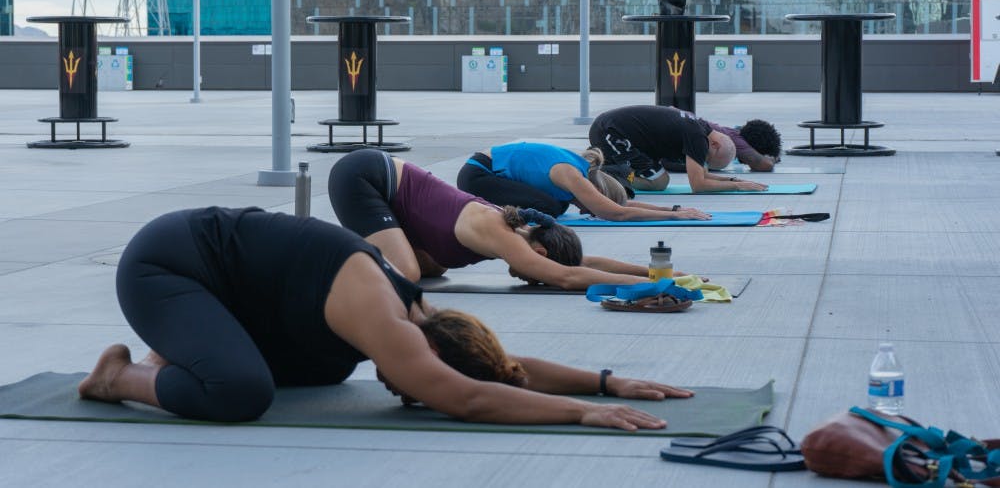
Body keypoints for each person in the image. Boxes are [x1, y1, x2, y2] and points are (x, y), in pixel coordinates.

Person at [78, 207, 693, 428]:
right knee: (239, 393)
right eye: (414, 392)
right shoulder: (389, 320)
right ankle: (119, 378)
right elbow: (470, 398)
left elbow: (500, 374)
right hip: (166, 266)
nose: (404, 394)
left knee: (327, 369)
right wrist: (584, 411)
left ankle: (187, 349)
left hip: (229, 289)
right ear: (424, 356)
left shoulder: (419, 309)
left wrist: (605, 381)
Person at [327, 149, 656, 287]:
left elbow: (583, 262)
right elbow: (568, 277)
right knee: (407, 273)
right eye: (535, 273)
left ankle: (370, 244)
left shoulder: (525, 231)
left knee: (434, 267)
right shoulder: (503, 232)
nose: (527, 277)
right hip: (365, 176)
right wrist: (649, 287)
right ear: (539, 253)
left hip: (391, 188)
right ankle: (323, 256)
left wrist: (657, 273)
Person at [456, 141, 711, 222]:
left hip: (482, 172)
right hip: (477, 175)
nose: (586, 211)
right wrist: (673, 215)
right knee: (551, 208)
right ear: (597, 190)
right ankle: (482, 209)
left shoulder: (577, 170)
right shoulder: (572, 175)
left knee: (556, 206)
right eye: (591, 207)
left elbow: (619, 206)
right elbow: (617, 213)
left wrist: (674, 208)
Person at [589, 105, 769, 193]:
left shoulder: (701, 129)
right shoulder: (698, 137)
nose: (704, 161)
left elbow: (702, 173)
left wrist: (731, 178)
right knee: (660, 182)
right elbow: (698, 185)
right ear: (715, 145)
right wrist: (737, 186)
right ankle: (612, 173)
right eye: (707, 158)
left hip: (617, 132)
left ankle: (612, 168)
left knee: (659, 178)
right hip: (611, 133)